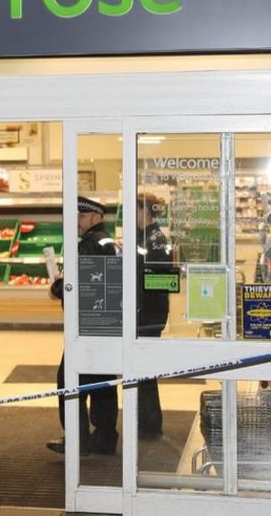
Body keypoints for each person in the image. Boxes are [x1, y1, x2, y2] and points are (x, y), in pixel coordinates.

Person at [46, 196, 120, 455]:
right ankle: (105, 437)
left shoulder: (89, 246)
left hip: (87, 326)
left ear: (96, 217)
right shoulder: (109, 242)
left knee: (68, 380)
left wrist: (58, 286)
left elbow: (78, 288)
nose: (76, 221)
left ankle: (77, 439)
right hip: (106, 324)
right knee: (102, 383)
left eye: (81, 216)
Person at [136, 193, 171, 438]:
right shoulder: (147, 237)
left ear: (145, 211)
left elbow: (158, 278)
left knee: (144, 369)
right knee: (141, 369)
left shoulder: (154, 239)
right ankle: (146, 421)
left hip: (149, 311)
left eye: (134, 209)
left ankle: (150, 424)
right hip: (147, 309)